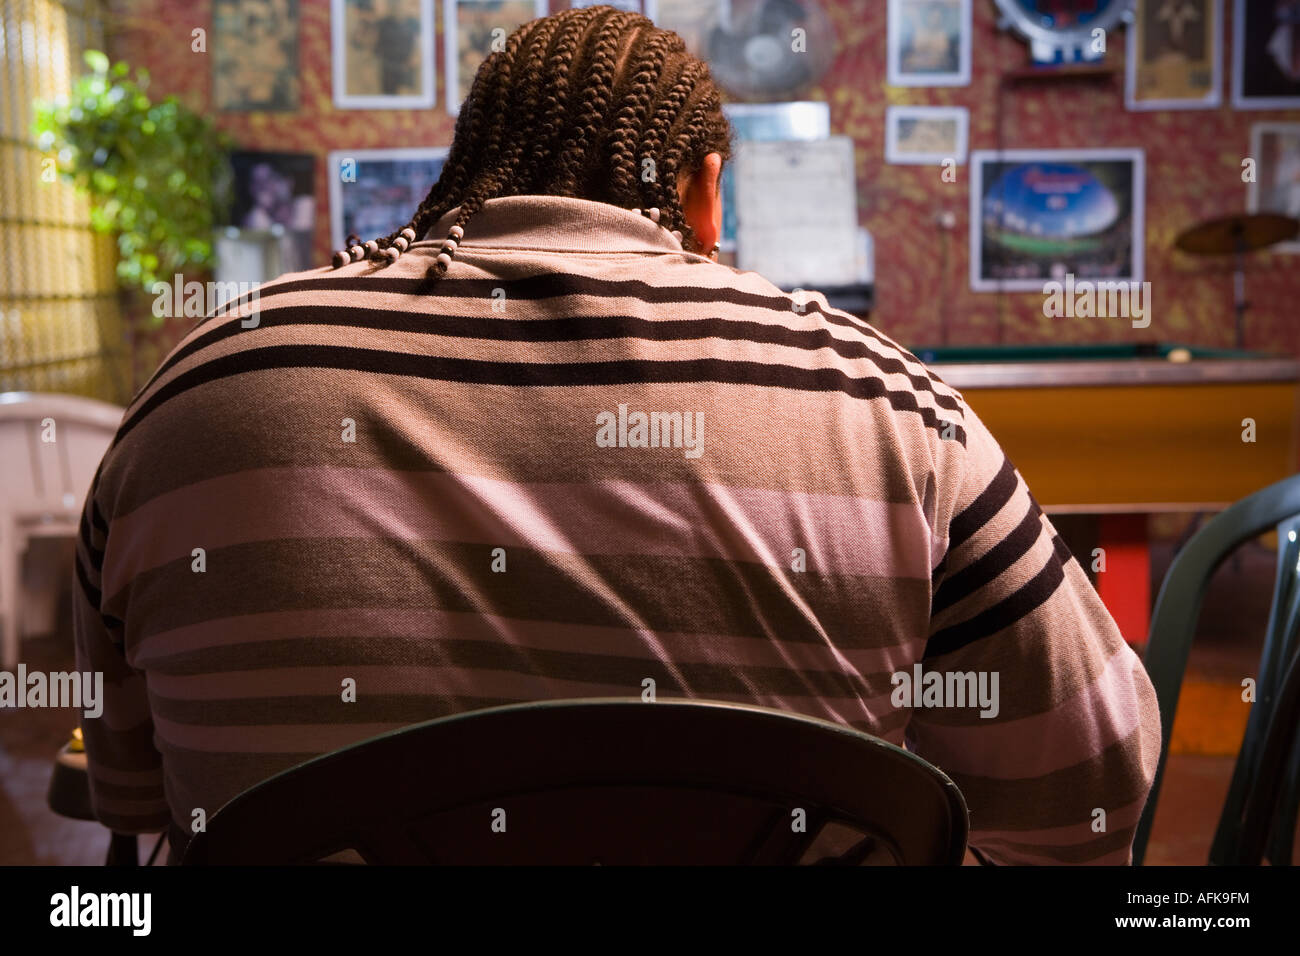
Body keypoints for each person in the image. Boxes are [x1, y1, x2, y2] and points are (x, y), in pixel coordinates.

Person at [74, 4, 1160, 864]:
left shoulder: (202, 387)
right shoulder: (891, 406)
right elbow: (1093, 786)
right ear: (705, 195)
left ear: (463, 170)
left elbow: (126, 789)